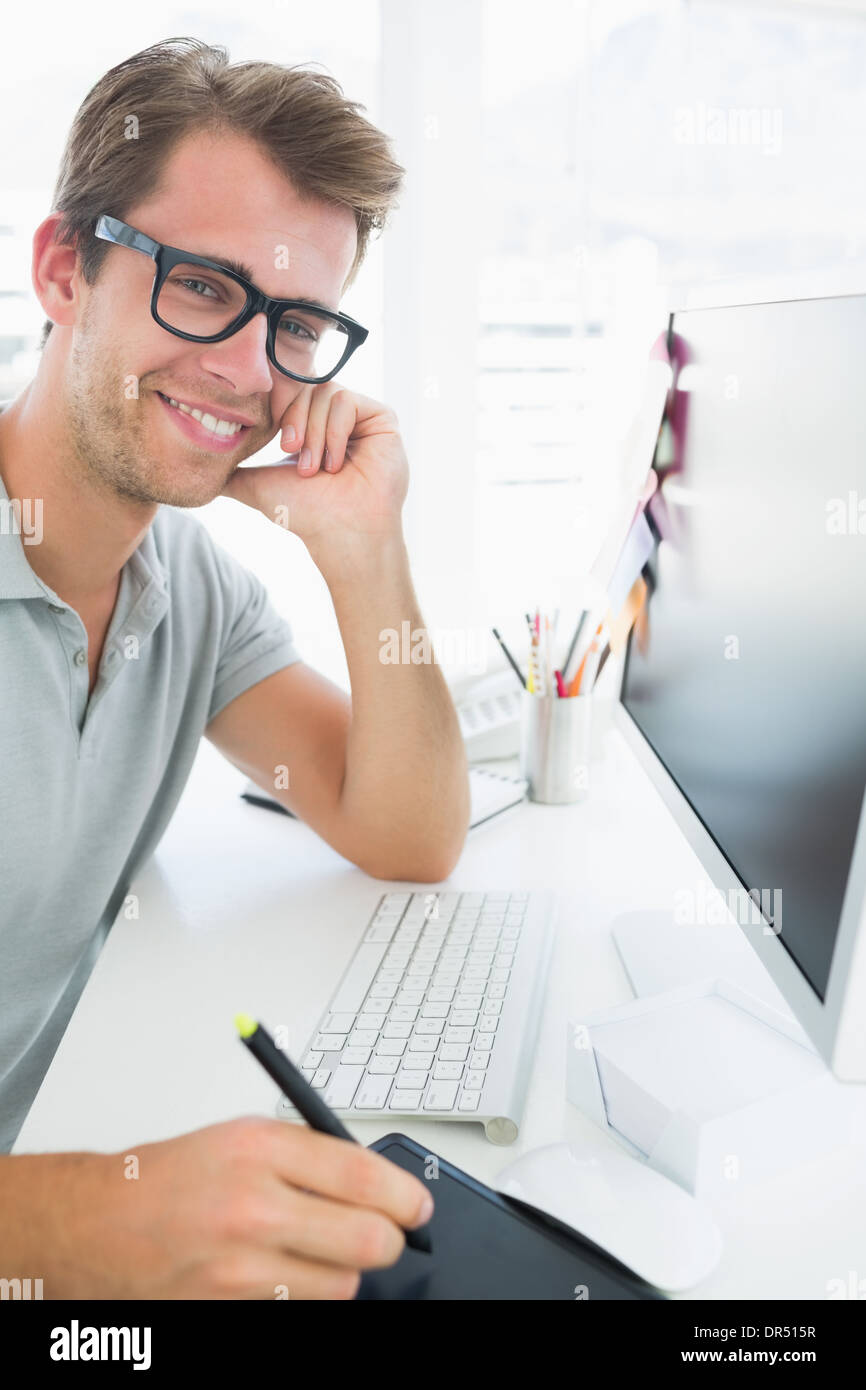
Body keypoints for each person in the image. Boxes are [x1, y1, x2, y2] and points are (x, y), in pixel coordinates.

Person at [0, 36, 470, 1298]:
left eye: (298, 324)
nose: (253, 373)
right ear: (64, 269)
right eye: (203, 288)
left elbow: (408, 832)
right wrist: (82, 1225)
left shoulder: (187, 586)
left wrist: (364, 547)